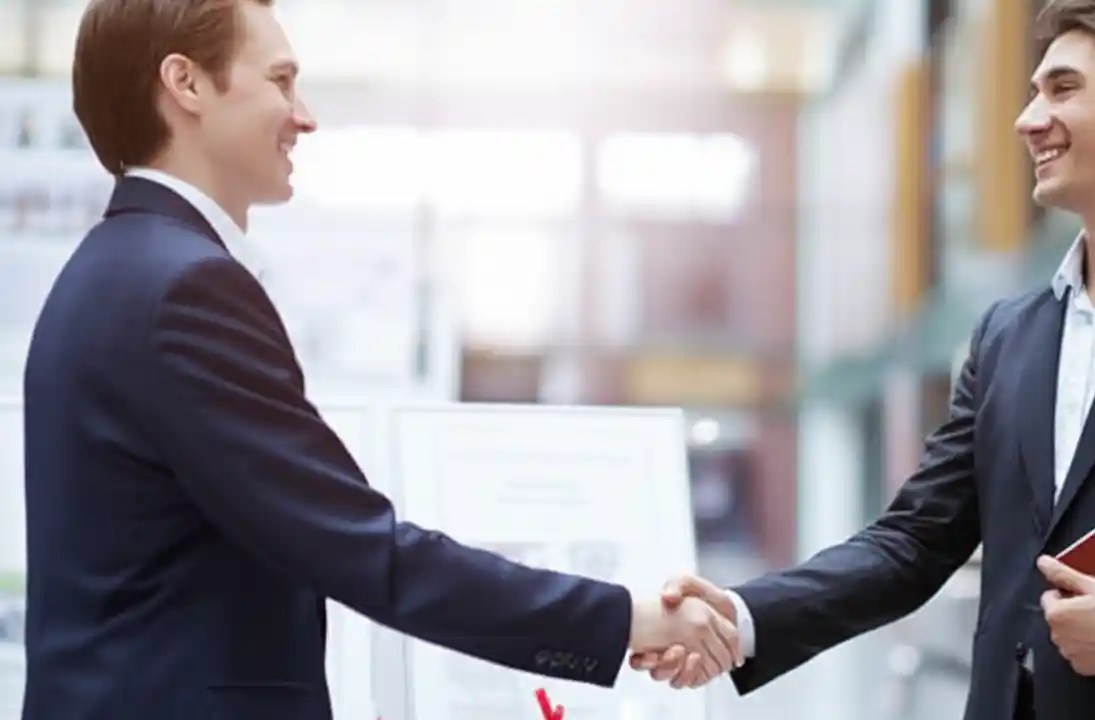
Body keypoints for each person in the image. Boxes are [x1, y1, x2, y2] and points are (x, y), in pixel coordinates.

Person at [20, 1, 741, 718]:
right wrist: (623, 620)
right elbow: (362, 550)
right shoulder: (182, 288)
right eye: (280, 80)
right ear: (187, 84)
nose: (304, 116)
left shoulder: (111, 273)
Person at [633, 1, 1095, 718]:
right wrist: (740, 615)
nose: (1027, 119)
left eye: (1063, 89)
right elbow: (914, 541)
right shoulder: (1009, 335)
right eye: (1033, 92)